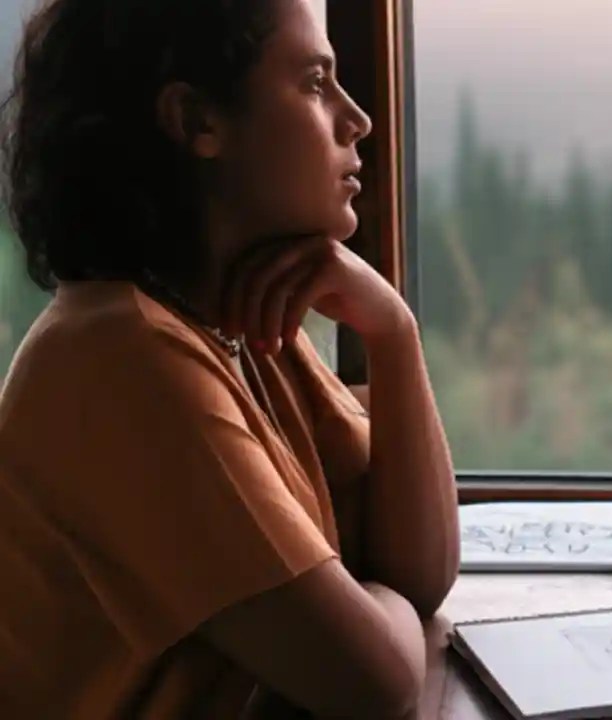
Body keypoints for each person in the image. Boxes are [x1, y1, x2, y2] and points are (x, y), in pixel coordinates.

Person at [0, 0, 459, 717]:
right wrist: (378, 607)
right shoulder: (120, 359)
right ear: (197, 122)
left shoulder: (234, 324)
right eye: (313, 82)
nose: (357, 120)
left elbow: (419, 571)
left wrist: (394, 335)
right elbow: (375, 683)